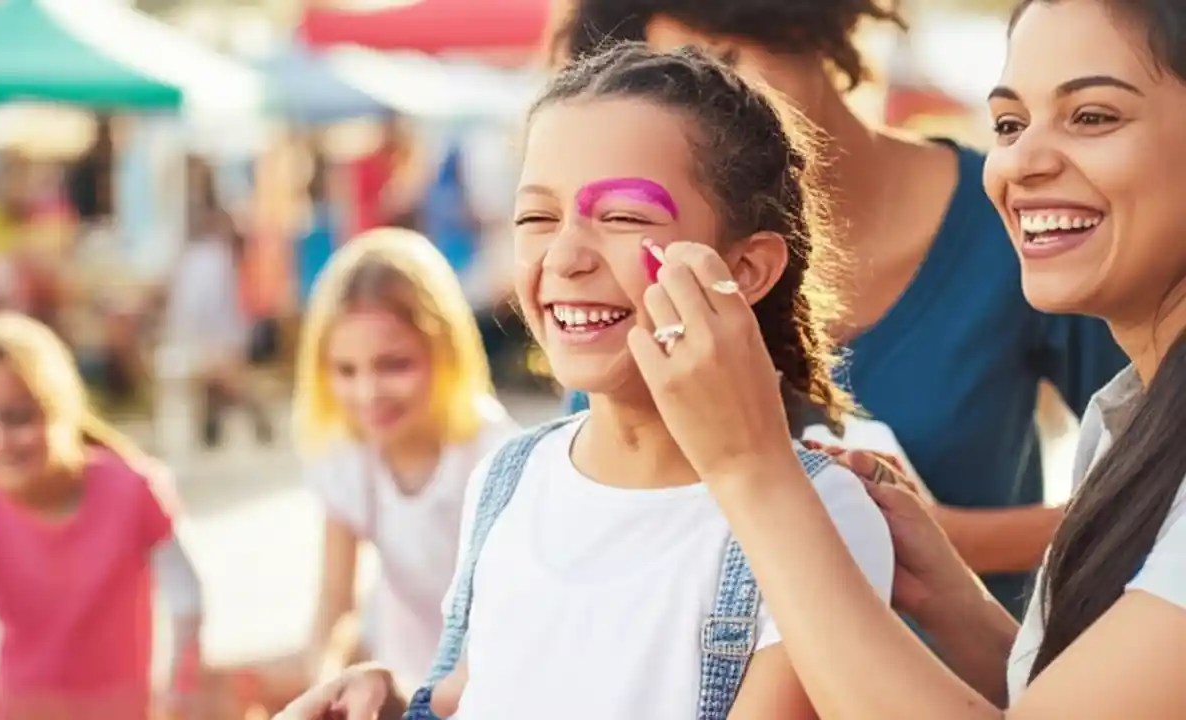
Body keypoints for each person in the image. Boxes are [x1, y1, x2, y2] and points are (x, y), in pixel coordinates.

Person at [278, 43, 894, 720]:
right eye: (537, 218)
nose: (565, 256)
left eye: (623, 217)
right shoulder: (508, 478)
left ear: (745, 270)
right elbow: (471, 694)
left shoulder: (824, 521)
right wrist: (395, 705)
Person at [605, 0, 1186, 716]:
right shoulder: (1128, 411)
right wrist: (949, 596)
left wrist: (752, 470)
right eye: (1009, 124)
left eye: (1093, 116)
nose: (1022, 162)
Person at [240, 228, 518, 713]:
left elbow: (509, 625)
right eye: (346, 370)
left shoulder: (498, 461)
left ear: (444, 350)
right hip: (399, 682)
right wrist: (329, 688)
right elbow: (335, 604)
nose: (368, 393)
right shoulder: (347, 455)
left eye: (394, 365)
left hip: (488, 691)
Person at [0, 313, 203, 719]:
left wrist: (181, 689)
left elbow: (187, 598)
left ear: (59, 406)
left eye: (17, 417)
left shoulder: (133, 489)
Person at [163, 196, 273, 449]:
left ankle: (247, 426)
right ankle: (215, 432)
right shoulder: (211, 257)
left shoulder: (207, 257)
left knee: (227, 383)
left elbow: (204, 302)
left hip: (215, 333)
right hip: (216, 332)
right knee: (217, 385)